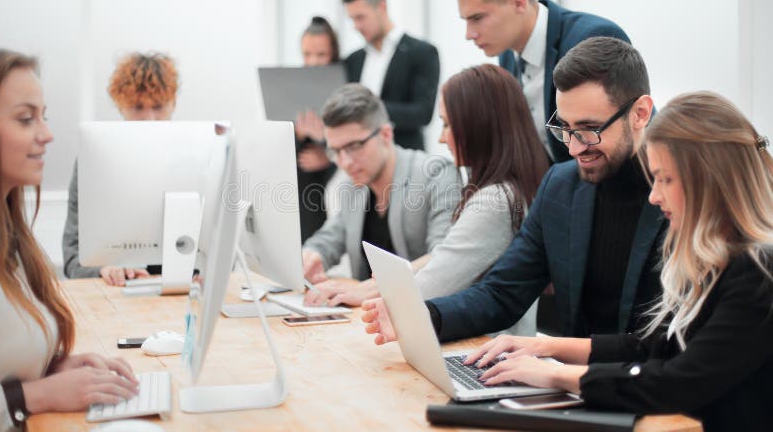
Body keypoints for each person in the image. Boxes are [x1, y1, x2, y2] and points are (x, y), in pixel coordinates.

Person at [454, 92, 773, 432]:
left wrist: (556, 374)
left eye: (665, 179)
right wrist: (544, 346)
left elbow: (678, 381)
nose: (654, 196)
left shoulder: (758, 272)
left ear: (710, 178)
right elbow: (654, 346)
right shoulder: (719, 259)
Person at [362, 37, 663, 343]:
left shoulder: (681, 197)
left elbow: (667, 345)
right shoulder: (561, 187)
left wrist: (552, 356)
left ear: (640, 114)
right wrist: (424, 317)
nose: (573, 148)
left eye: (588, 130)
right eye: (565, 129)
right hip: (578, 383)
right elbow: (502, 293)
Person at [306, 65, 548, 335]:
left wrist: (369, 289)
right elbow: (442, 259)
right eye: (336, 151)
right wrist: (312, 257)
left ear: (477, 125)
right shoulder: (493, 191)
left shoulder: (492, 198)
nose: (441, 138)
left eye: (447, 124)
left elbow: (440, 270)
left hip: (480, 347)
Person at [0, 46, 138, 432]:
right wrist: (38, 395)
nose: (47, 135)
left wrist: (53, 369)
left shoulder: (7, 240)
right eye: (26, 119)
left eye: (43, 117)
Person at [448, 0, 630, 163]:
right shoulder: (506, 54)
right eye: (466, 21)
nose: (469, 34)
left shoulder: (592, 37)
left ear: (518, 3)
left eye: (477, 18)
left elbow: (620, 141)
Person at [301, 83, 458, 288]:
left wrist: (364, 289)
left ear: (385, 134)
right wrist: (312, 255)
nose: (345, 162)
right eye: (335, 151)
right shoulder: (352, 185)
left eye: (354, 146)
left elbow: (445, 259)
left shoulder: (436, 173)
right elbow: (332, 236)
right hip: (365, 314)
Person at [62, 52, 178, 285]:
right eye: (137, 107)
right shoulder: (92, 162)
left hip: (180, 295)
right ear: (120, 106)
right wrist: (102, 270)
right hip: (117, 294)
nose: (150, 119)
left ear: (173, 104)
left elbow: (221, 254)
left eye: (158, 106)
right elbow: (72, 260)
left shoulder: (195, 160)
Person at [343, 0, 440, 150]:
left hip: (404, 158)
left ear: (382, 7)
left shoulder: (422, 52)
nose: (356, 26)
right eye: (352, 19)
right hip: (360, 162)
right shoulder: (353, 60)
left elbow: (423, 113)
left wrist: (368, 109)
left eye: (361, 17)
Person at [295, 16, 340, 243]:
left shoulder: (344, 86)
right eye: (307, 55)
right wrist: (298, 134)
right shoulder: (291, 86)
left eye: (321, 55)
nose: (313, 62)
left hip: (335, 182)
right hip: (304, 190)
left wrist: (327, 153)